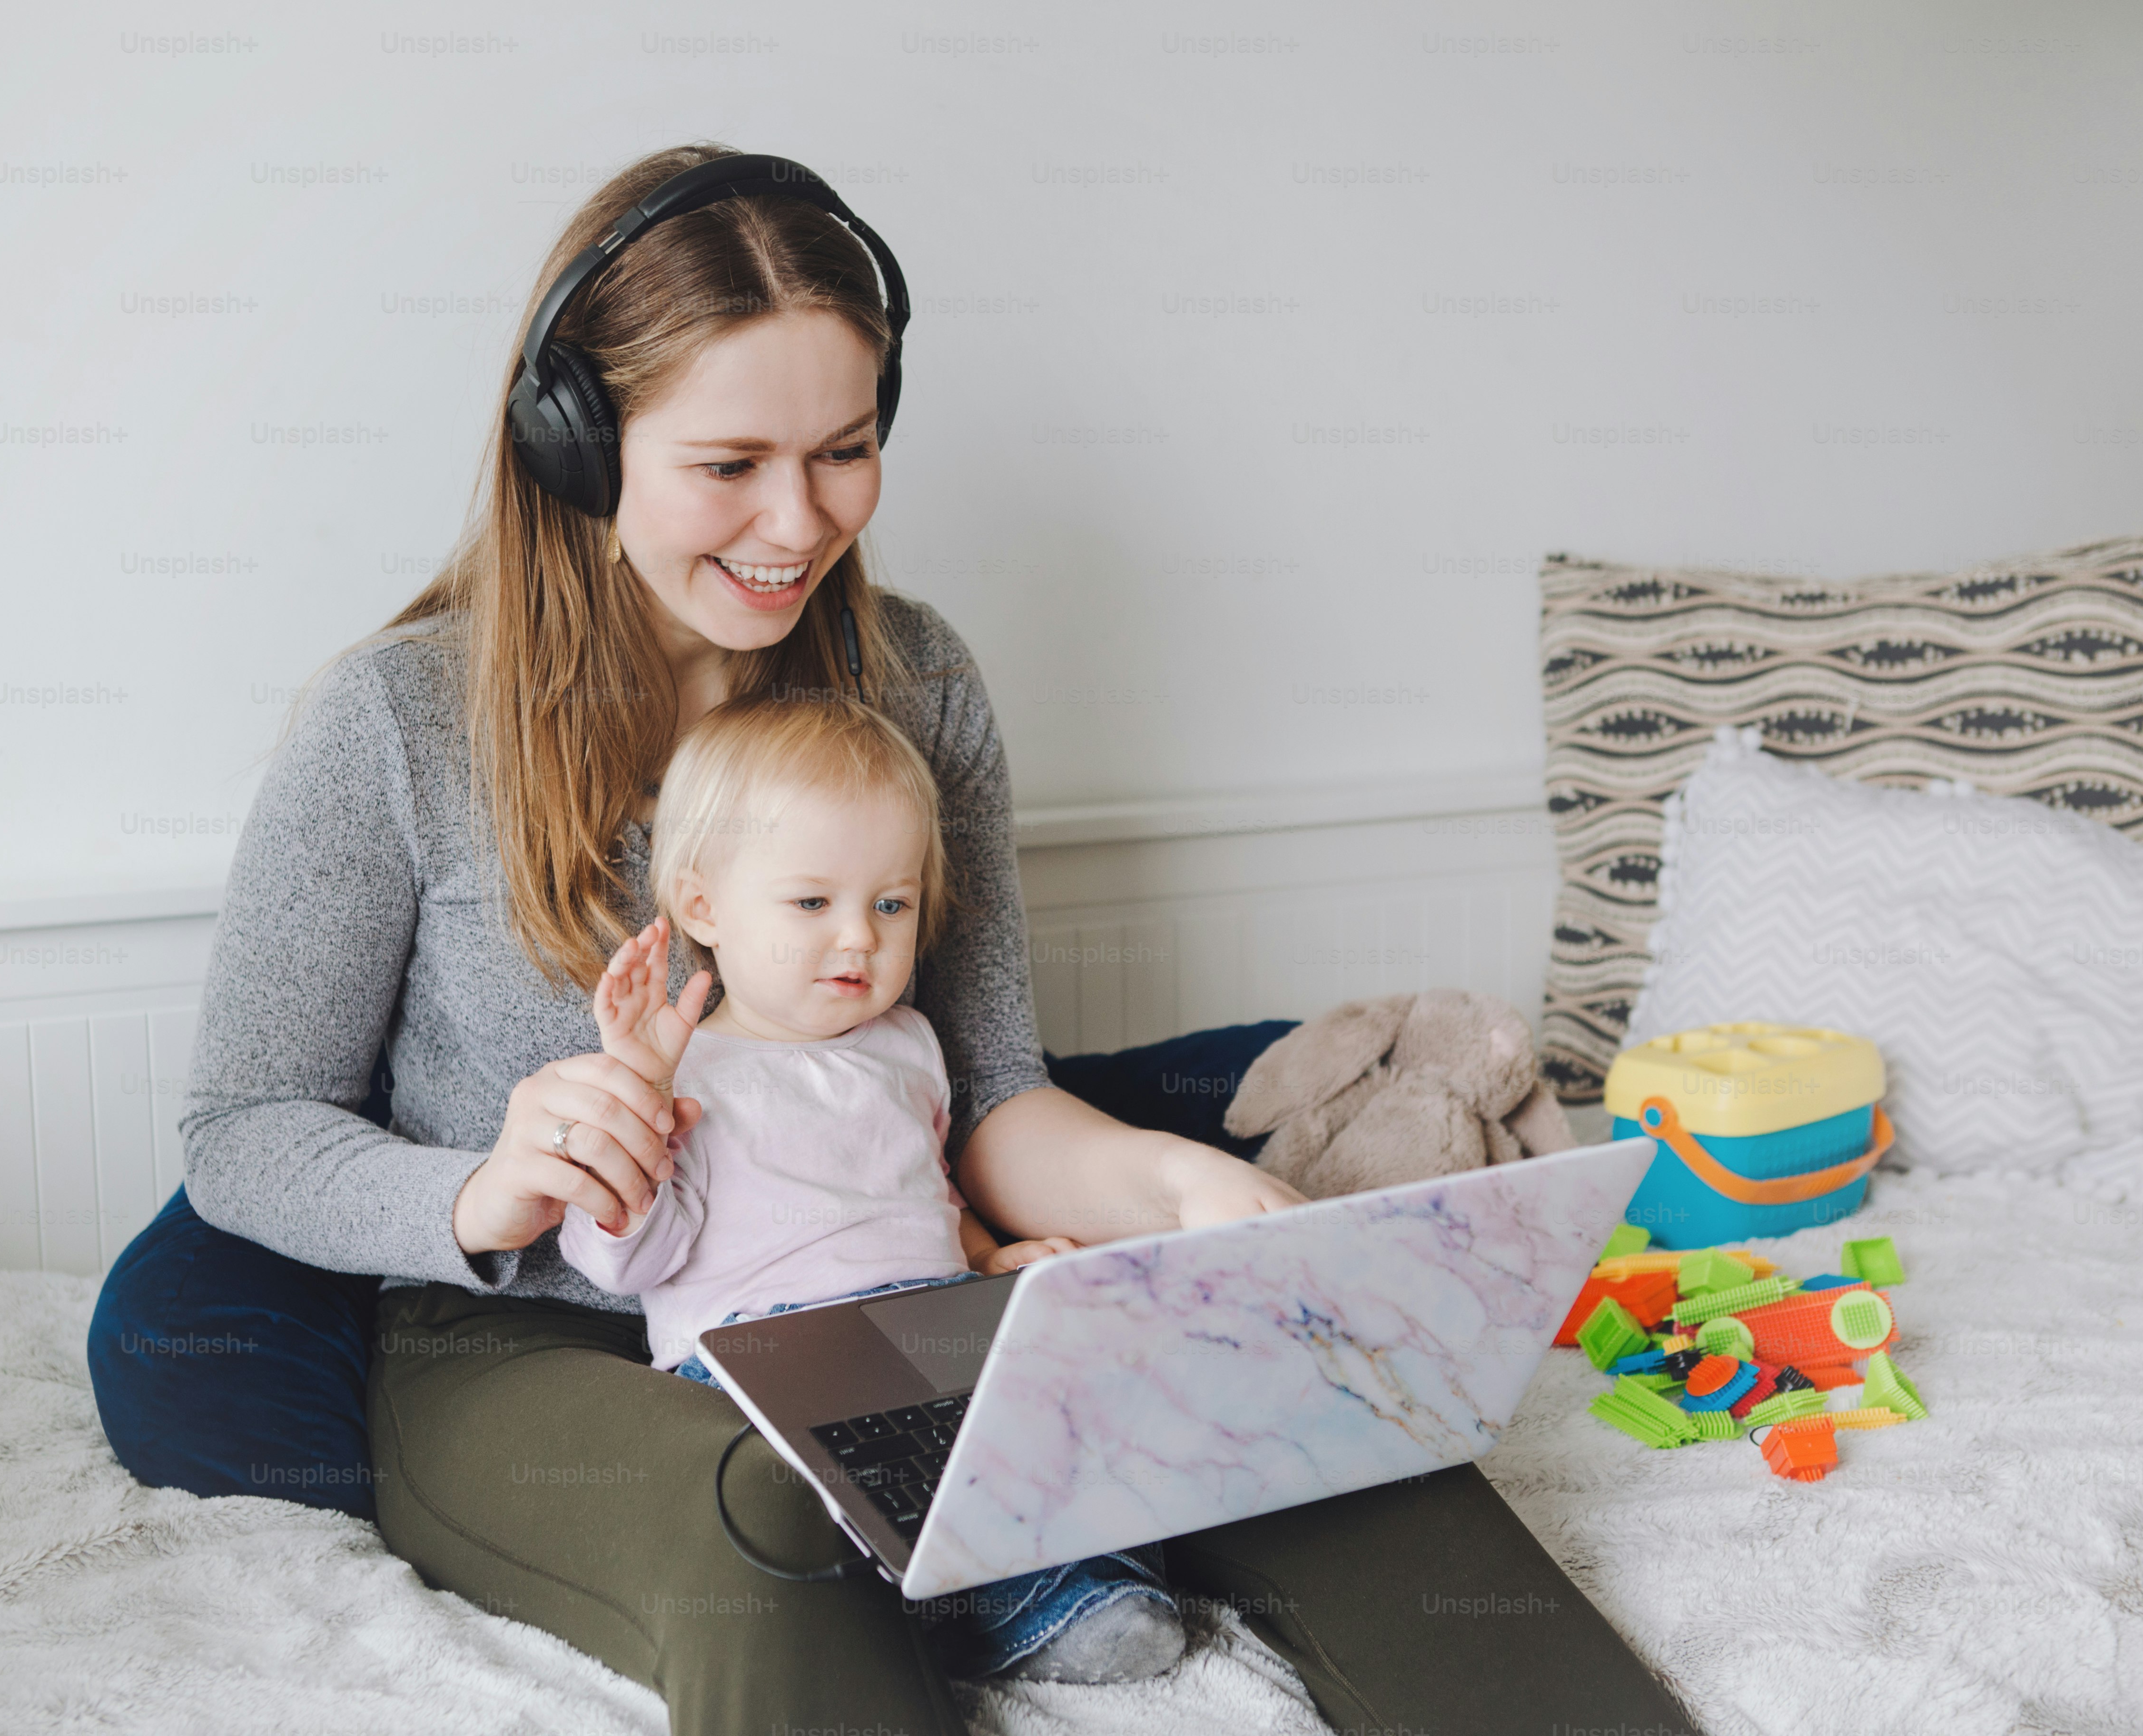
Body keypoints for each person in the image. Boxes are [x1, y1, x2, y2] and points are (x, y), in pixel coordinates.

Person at [88, 140, 1705, 1736]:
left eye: (844, 451)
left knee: (1326, 1398)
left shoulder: (916, 684)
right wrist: (475, 1189)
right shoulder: (395, 722)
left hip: (894, 1299)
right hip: (533, 1344)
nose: (800, 523)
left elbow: (992, 1097)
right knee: (776, 1510)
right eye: (730, 464)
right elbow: (244, 1131)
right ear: (577, 442)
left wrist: (1188, 1197)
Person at [562, 695, 1181, 1683]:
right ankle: (1019, 1611)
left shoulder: (909, 1045)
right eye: (812, 904)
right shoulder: (684, 1078)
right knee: (865, 1482)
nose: (859, 938)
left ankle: (1072, 1570)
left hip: (917, 1329)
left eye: (890, 905)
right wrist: (636, 1096)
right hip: (752, 1362)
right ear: (704, 907)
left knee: (1066, 1397)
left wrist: (985, 1252)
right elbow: (626, 1256)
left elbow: (920, 1189)